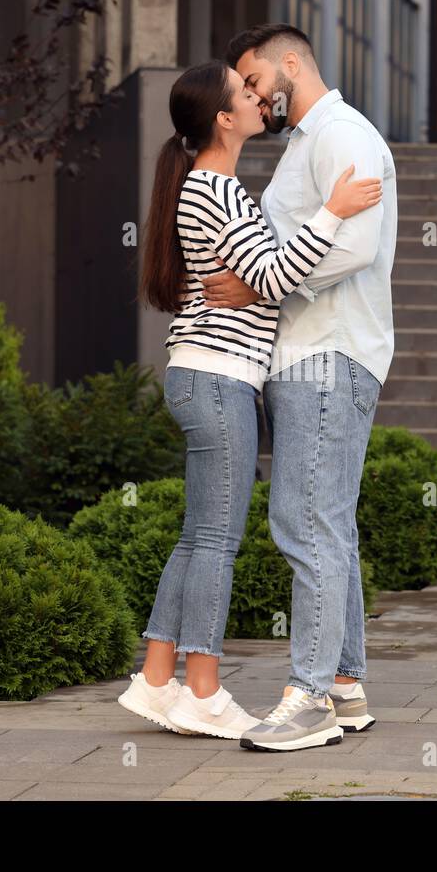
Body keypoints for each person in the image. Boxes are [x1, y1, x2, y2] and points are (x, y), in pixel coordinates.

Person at [115, 59, 383, 740]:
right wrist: (333, 212)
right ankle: (201, 690)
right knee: (215, 540)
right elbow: (271, 274)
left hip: (206, 377)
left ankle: (154, 678)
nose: (259, 97)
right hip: (220, 378)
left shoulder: (211, 186)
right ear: (223, 118)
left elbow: (258, 278)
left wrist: (259, 279)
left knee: (198, 533)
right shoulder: (218, 189)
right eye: (244, 93)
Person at [200, 23, 397, 752]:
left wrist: (256, 284)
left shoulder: (343, 134)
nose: (249, 95)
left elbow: (353, 244)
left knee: (304, 521)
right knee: (330, 524)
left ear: (290, 65)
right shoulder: (306, 147)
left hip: (327, 353)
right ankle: (343, 684)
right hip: (316, 355)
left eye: (253, 82)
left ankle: (308, 696)